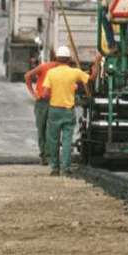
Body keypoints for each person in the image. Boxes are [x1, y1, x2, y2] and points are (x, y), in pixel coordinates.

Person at [40, 46, 89, 176]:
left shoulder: (51, 73)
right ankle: (66, 168)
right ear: (69, 59)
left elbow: (45, 94)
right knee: (67, 140)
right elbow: (90, 78)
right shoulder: (75, 72)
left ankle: (55, 168)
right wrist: (96, 64)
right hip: (68, 111)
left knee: (53, 140)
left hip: (54, 110)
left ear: (57, 58)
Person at [24, 56, 63, 165]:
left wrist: (33, 93)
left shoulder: (47, 67)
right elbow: (28, 75)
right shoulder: (51, 68)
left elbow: (27, 75)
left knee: (45, 130)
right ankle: (48, 156)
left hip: (48, 102)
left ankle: (47, 156)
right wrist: (33, 94)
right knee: (50, 130)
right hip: (48, 102)